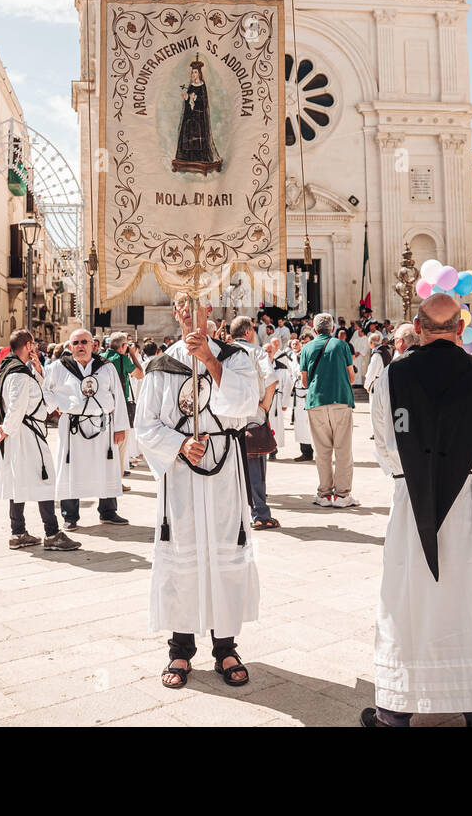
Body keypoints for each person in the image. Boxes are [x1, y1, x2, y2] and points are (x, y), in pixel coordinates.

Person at [362, 294, 472, 727]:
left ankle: (395, 708)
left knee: (407, 598)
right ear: (461, 328)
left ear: (418, 326)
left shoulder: (392, 376)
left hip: (412, 497)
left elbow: (383, 447)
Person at [137, 295, 259, 691]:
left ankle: (225, 645)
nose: (191, 314)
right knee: (183, 553)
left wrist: (210, 360)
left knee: (224, 552)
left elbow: (244, 408)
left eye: (199, 307)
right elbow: (147, 426)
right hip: (183, 476)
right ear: (177, 313)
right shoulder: (161, 366)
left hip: (224, 469)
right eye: (184, 308)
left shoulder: (236, 357)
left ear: (211, 312)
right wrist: (177, 444)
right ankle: (180, 647)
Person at [0, 330, 80, 552]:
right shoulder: (19, 374)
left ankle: (18, 532)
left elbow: (34, 395)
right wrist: (6, 429)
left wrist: (39, 370)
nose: (36, 348)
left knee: (17, 482)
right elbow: (17, 406)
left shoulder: (10, 369)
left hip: (19, 433)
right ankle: (52, 533)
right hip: (26, 435)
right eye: (34, 345)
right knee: (44, 480)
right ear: (28, 345)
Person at [45, 328, 129, 528]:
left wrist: (120, 427)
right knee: (69, 469)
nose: (80, 346)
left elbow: (118, 395)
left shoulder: (106, 367)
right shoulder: (59, 367)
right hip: (72, 427)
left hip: (103, 426)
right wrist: (55, 405)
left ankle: (108, 512)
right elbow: (45, 390)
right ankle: (70, 516)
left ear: (93, 345)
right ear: (70, 346)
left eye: (84, 342)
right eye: (76, 343)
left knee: (106, 468)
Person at [301, 314, 357, 508]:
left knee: (322, 451)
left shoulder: (306, 347)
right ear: (332, 329)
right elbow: (351, 376)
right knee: (343, 449)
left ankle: (324, 494)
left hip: (316, 402)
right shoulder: (341, 345)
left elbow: (304, 381)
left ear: (314, 330)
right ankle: (342, 495)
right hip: (340, 400)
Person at [230, 317, 279, 529]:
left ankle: (234, 514)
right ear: (249, 332)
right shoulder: (257, 352)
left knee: (231, 466)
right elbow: (271, 380)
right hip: (252, 415)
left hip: (227, 417)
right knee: (256, 465)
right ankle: (259, 513)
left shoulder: (223, 351)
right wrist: (265, 406)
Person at [102, 333, 144, 485]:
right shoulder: (123, 359)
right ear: (123, 347)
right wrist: (132, 354)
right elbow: (140, 374)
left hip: (103, 406)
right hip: (121, 406)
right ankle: (116, 483)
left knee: (105, 445)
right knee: (120, 446)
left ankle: (105, 480)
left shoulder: (101, 357)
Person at [287, 335, 314, 462]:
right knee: (301, 424)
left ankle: (318, 451)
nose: (304, 345)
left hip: (312, 392)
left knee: (315, 424)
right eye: (303, 342)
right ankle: (306, 452)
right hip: (300, 392)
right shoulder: (297, 356)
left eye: (307, 342)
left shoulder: (315, 355)